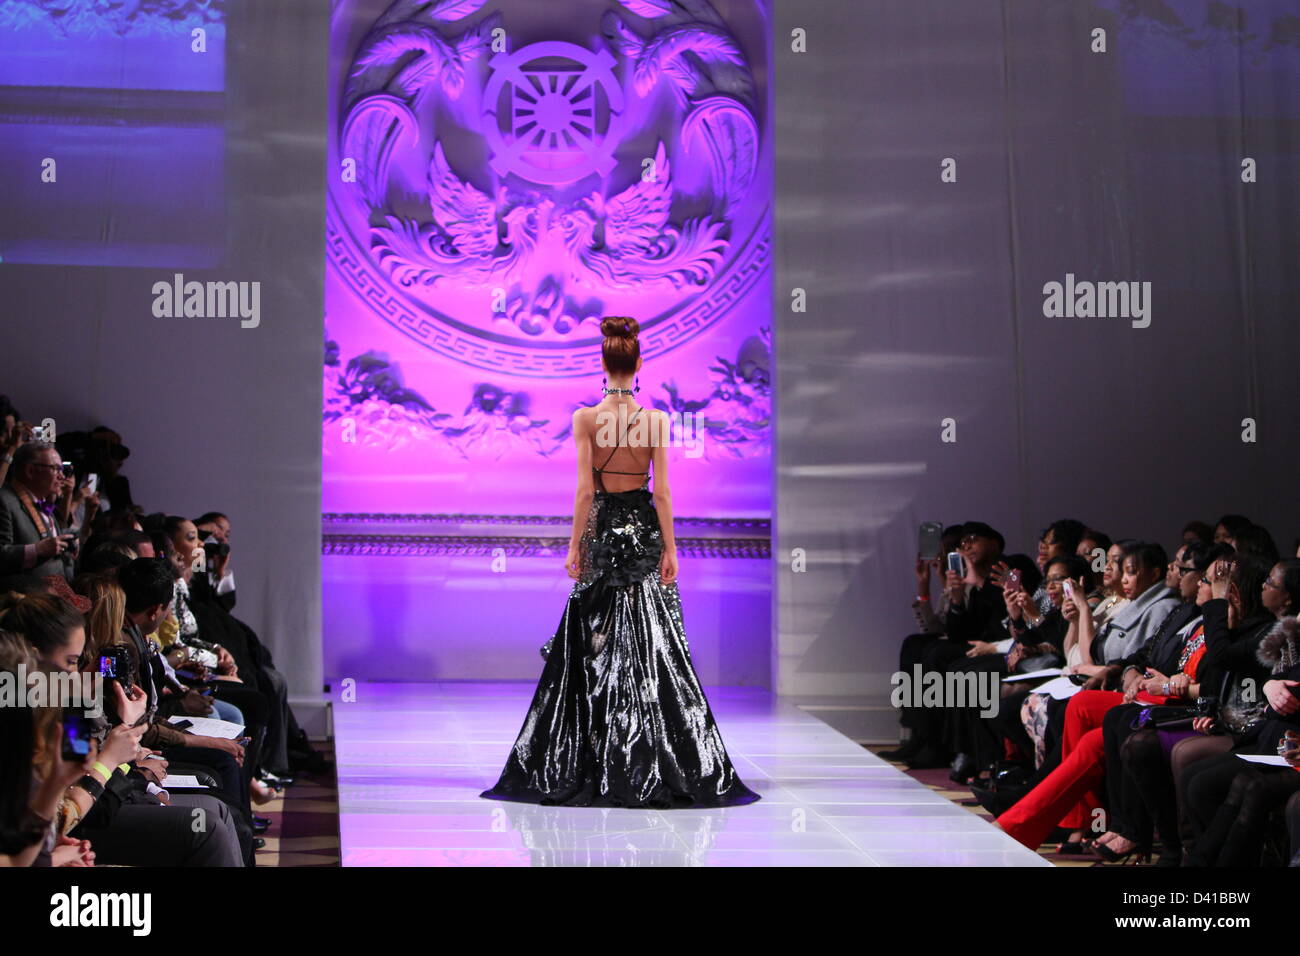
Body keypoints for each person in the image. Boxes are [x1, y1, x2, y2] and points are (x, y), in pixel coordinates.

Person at [480, 316, 760, 808]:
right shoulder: (656, 421)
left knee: (593, 642)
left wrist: (573, 546)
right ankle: (653, 758)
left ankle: (592, 757)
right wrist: (671, 548)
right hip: (644, 528)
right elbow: (665, 492)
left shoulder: (585, 419)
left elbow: (586, 491)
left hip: (606, 529)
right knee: (652, 642)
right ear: (639, 363)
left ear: (603, 363)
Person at [0, 442, 77, 581]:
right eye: (56, 469)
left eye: (62, 469)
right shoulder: (4, 500)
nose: (62, 476)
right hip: (24, 598)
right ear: (30, 471)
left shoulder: (41, 501)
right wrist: (37, 550)